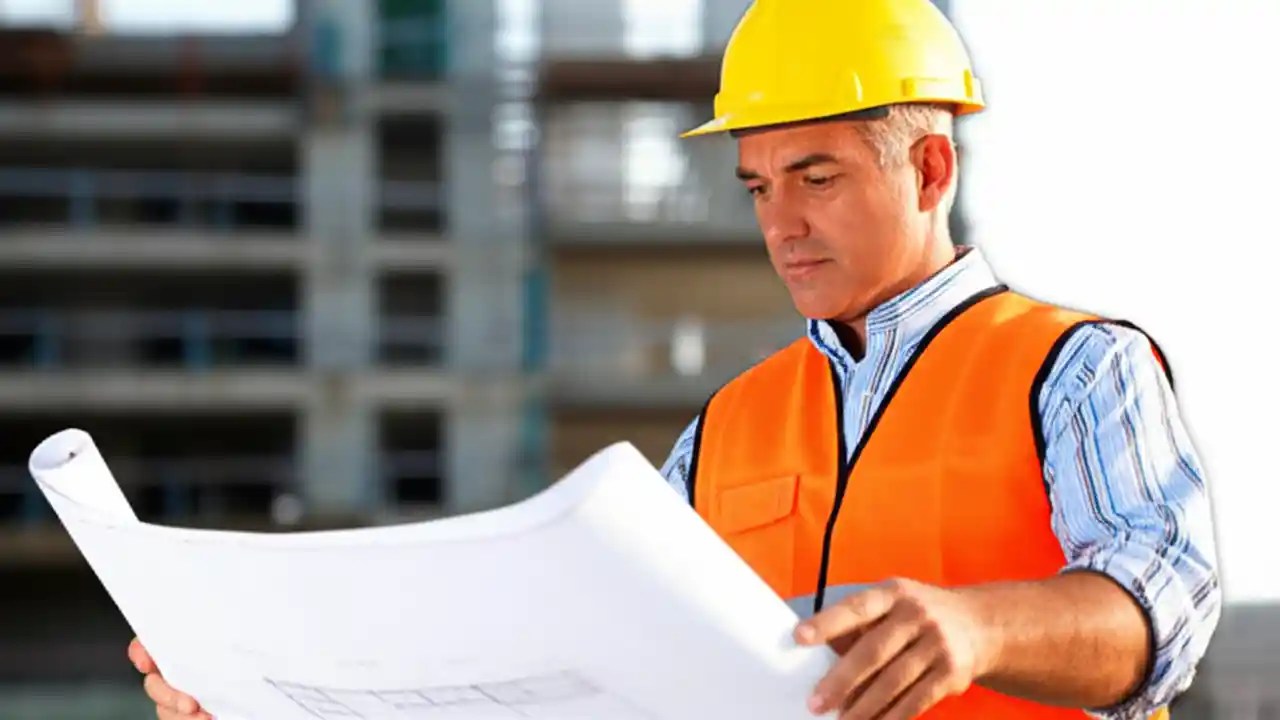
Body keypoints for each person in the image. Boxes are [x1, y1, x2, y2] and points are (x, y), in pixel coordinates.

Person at [130, 1, 1220, 719]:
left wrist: (977, 626)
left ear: (929, 166)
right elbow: (573, 673)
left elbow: (1159, 605)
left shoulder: (1073, 368)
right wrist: (257, 695)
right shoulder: (727, 427)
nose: (779, 222)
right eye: (756, 187)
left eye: (817, 176)